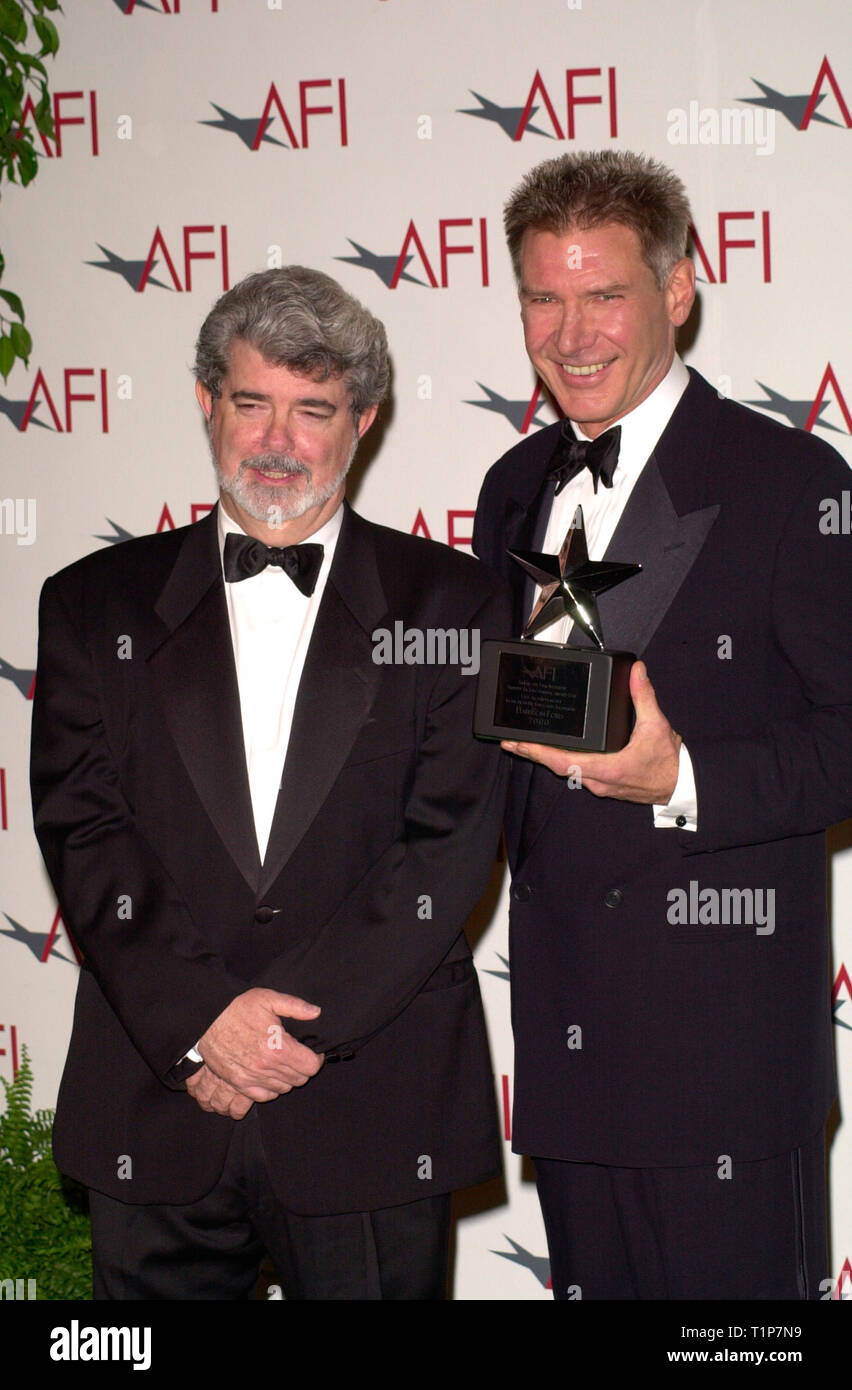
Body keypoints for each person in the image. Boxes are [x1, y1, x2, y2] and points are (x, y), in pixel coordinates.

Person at [31, 266, 510, 1300]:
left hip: (370, 1105)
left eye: (314, 410)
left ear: (364, 422)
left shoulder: (456, 605)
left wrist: (280, 1032)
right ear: (207, 402)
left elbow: (448, 841)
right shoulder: (88, 605)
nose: (279, 442)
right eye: (252, 404)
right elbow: (85, 830)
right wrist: (205, 1018)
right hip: (159, 1100)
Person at [473, 150, 852, 1300]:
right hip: (569, 1055)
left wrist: (682, 776)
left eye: (605, 294)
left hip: (721, 1068)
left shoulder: (790, 479)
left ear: (677, 292)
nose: (571, 332)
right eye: (545, 296)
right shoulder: (510, 486)